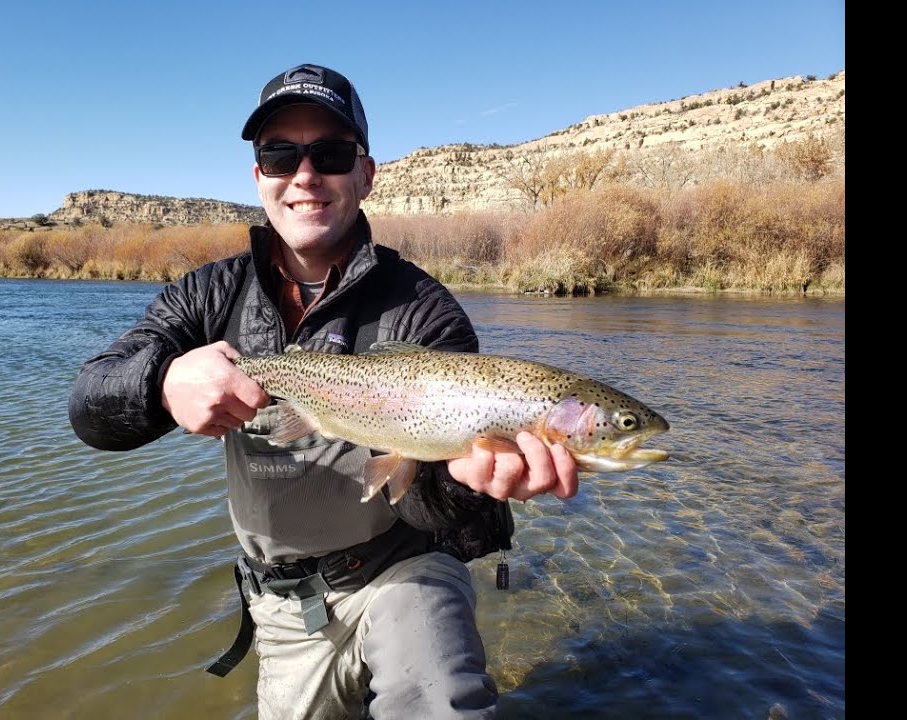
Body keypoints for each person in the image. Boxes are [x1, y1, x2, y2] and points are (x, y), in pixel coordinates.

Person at [68, 63, 579, 720]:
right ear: (259, 178)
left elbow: (425, 505)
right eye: (280, 154)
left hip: (406, 573)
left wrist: (464, 478)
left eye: (331, 153)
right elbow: (90, 409)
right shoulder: (206, 295)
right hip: (284, 608)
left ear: (366, 174)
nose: (305, 175)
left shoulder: (424, 310)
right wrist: (163, 383)